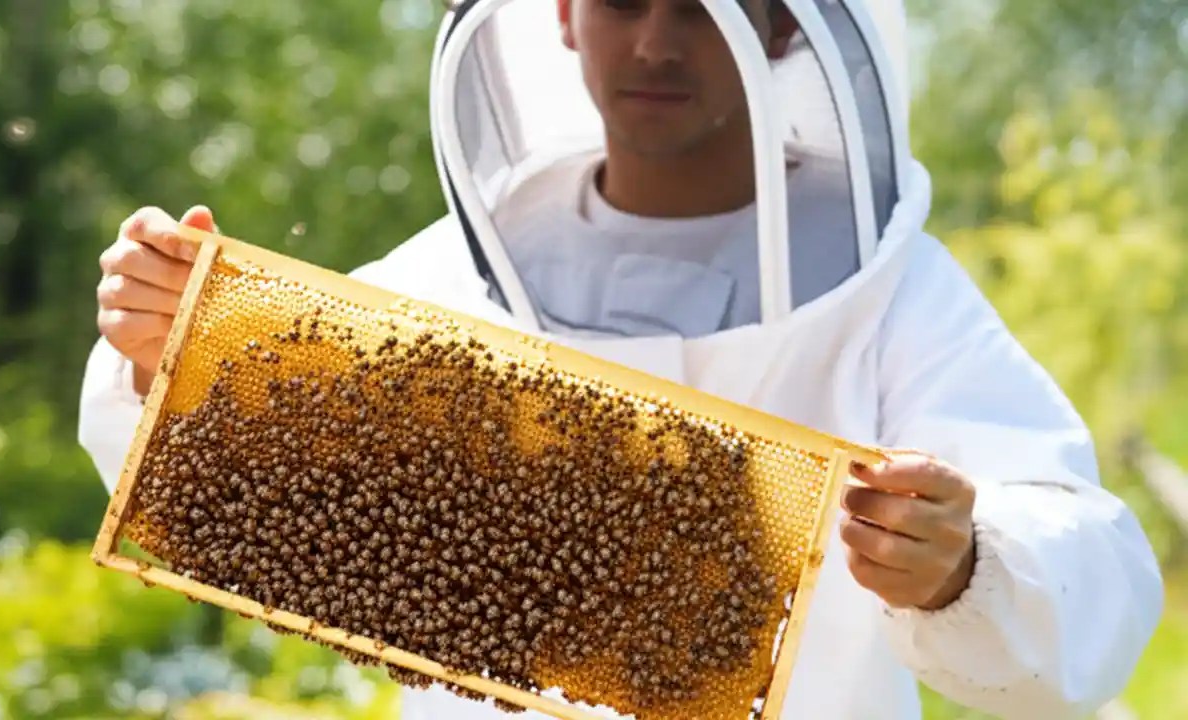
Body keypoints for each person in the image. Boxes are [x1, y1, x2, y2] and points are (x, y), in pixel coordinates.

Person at [79, 1, 1164, 718]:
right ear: (558, 14)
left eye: (703, 6)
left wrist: (965, 562)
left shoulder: (886, 288)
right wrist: (162, 351)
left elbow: (1089, 559)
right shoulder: (464, 269)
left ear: (786, 26)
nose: (652, 41)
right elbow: (244, 481)